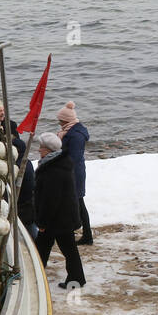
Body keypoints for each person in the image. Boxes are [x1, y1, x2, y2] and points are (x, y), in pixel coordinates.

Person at [33, 132, 86, 288]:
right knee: (43, 246)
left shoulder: (52, 169)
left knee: (67, 249)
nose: (39, 150)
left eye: (41, 147)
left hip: (59, 219)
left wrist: (42, 221)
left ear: (49, 150)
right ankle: (37, 272)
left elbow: (50, 200)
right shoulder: (57, 163)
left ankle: (76, 279)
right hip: (61, 216)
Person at [57, 101, 93, 245]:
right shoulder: (69, 131)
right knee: (75, 202)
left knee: (78, 202)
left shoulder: (75, 135)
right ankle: (78, 231)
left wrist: (63, 168)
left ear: (66, 120)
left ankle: (87, 236)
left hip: (74, 173)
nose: (59, 123)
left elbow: (74, 157)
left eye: (60, 120)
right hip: (71, 171)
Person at [10, 121, 37, 238]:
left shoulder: (18, 166)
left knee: (29, 230)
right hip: (30, 201)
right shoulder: (27, 162)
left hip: (24, 203)